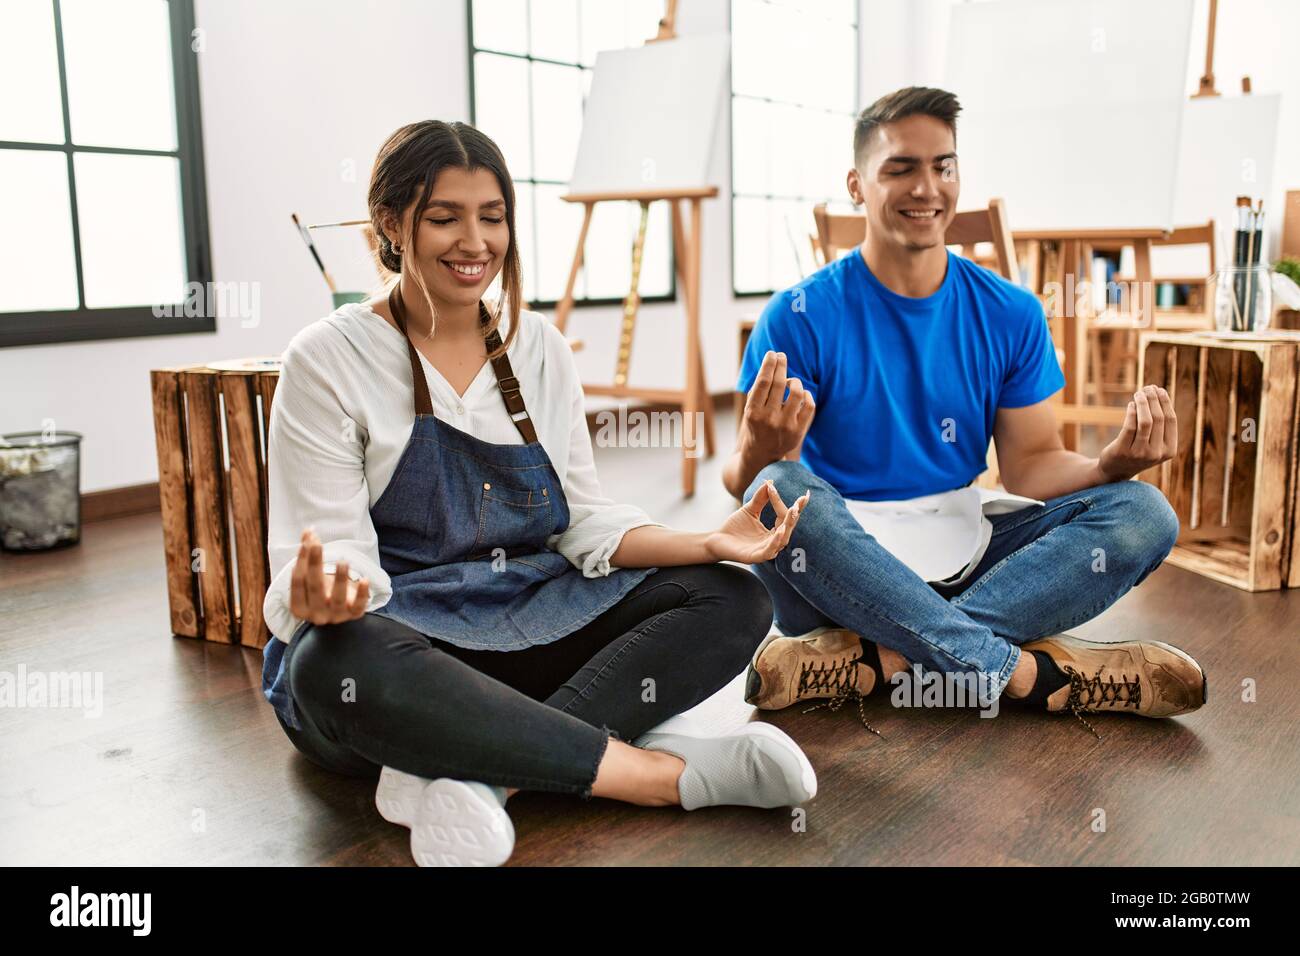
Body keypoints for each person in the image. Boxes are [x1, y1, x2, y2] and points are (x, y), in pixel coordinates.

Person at [260, 120, 816, 867]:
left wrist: (709, 542)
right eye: (444, 217)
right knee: (331, 664)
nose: (474, 242)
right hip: (413, 648)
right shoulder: (328, 359)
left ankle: (488, 780)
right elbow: (334, 554)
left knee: (735, 598)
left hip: (527, 628)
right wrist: (329, 599)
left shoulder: (538, 351)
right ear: (390, 225)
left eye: (492, 218)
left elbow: (581, 523)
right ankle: (660, 774)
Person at [726, 87, 1206, 738]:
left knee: (1144, 512)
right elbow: (747, 486)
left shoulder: (1010, 312)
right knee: (777, 489)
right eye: (901, 168)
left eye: (943, 166)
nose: (927, 187)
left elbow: (1032, 467)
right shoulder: (799, 315)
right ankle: (1028, 677)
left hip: (965, 550)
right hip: (838, 580)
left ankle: (883, 662)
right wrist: (759, 450)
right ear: (857, 184)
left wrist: (1115, 461)